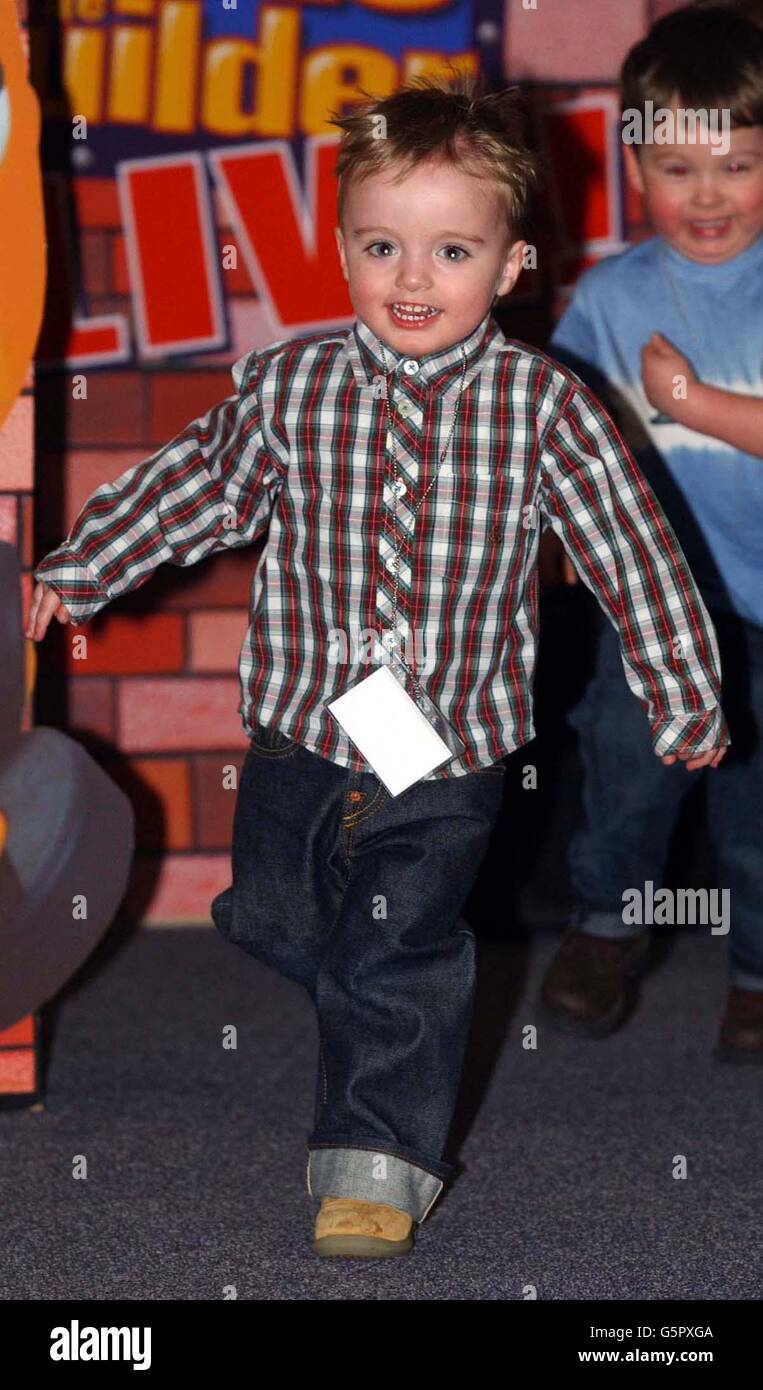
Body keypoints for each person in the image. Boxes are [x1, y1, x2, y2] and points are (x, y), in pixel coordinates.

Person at [26, 70, 728, 1259]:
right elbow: (190, 486)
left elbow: (632, 551)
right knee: (277, 913)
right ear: (340, 248)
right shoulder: (293, 387)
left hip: (448, 750)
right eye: (382, 246)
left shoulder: (544, 408)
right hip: (303, 727)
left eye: (451, 250)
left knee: (397, 948)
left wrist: (679, 687)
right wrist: (81, 565)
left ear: (511, 266)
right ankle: (351, 968)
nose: (413, 279)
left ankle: (376, 1166)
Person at [541, 5, 763, 1060]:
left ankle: (757, 973)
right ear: (634, 167)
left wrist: (690, 400)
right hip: (657, 598)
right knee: (627, 759)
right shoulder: (613, 295)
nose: (706, 194)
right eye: (676, 168)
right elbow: (560, 433)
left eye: (735, 163)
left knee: (756, 808)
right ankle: (604, 921)